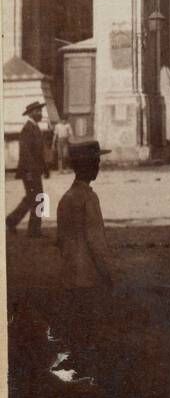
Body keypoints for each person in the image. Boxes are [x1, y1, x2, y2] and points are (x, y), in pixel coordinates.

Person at [56, 140, 113, 377]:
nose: (99, 166)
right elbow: (96, 242)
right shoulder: (90, 199)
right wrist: (107, 274)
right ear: (88, 166)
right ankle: (88, 372)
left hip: (70, 275)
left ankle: (77, 367)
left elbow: (61, 241)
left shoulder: (65, 198)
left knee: (76, 325)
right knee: (90, 326)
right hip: (89, 276)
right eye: (96, 161)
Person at [6, 100, 48, 238]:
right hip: (29, 171)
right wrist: (30, 172)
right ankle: (33, 231)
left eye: (41, 111)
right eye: (37, 111)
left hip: (34, 171)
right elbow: (25, 153)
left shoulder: (35, 127)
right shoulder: (27, 129)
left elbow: (39, 152)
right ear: (31, 113)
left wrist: (45, 169)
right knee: (37, 198)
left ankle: (12, 221)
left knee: (33, 198)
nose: (40, 113)